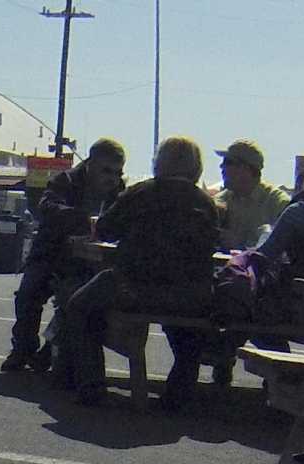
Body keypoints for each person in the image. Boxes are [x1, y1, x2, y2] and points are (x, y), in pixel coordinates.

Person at [61, 135, 220, 411]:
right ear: (196, 166)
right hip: (189, 294)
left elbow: (107, 229)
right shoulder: (206, 204)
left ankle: (91, 385)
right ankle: (178, 394)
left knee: (78, 307)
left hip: (134, 287)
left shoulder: (141, 193)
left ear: (160, 162)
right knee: (186, 332)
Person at [3, 137, 124, 374]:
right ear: (90, 164)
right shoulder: (65, 181)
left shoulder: (118, 191)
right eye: (106, 170)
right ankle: (23, 349)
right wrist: (82, 219)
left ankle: (50, 351)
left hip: (88, 261)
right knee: (28, 294)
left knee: (76, 301)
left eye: (117, 172)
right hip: (51, 254)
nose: (112, 178)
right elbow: (46, 206)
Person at [212, 139, 289, 252]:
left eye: (228, 162)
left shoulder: (277, 203)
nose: (221, 167)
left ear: (246, 168)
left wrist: (240, 245)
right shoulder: (219, 200)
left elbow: (283, 249)